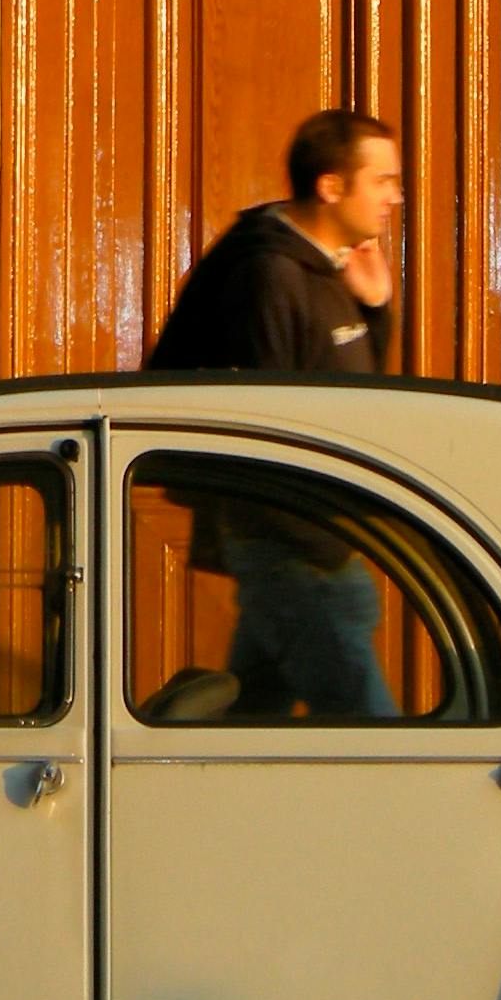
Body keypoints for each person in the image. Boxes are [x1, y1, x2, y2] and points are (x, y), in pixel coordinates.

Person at [143, 107, 404, 722]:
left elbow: (355, 392)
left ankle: (198, 814)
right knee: (380, 745)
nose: (396, 196)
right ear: (331, 185)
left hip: (313, 539)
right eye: (382, 180)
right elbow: (268, 421)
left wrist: (377, 309)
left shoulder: (325, 267)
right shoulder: (269, 274)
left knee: (249, 721)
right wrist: (318, 538)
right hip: (293, 548)